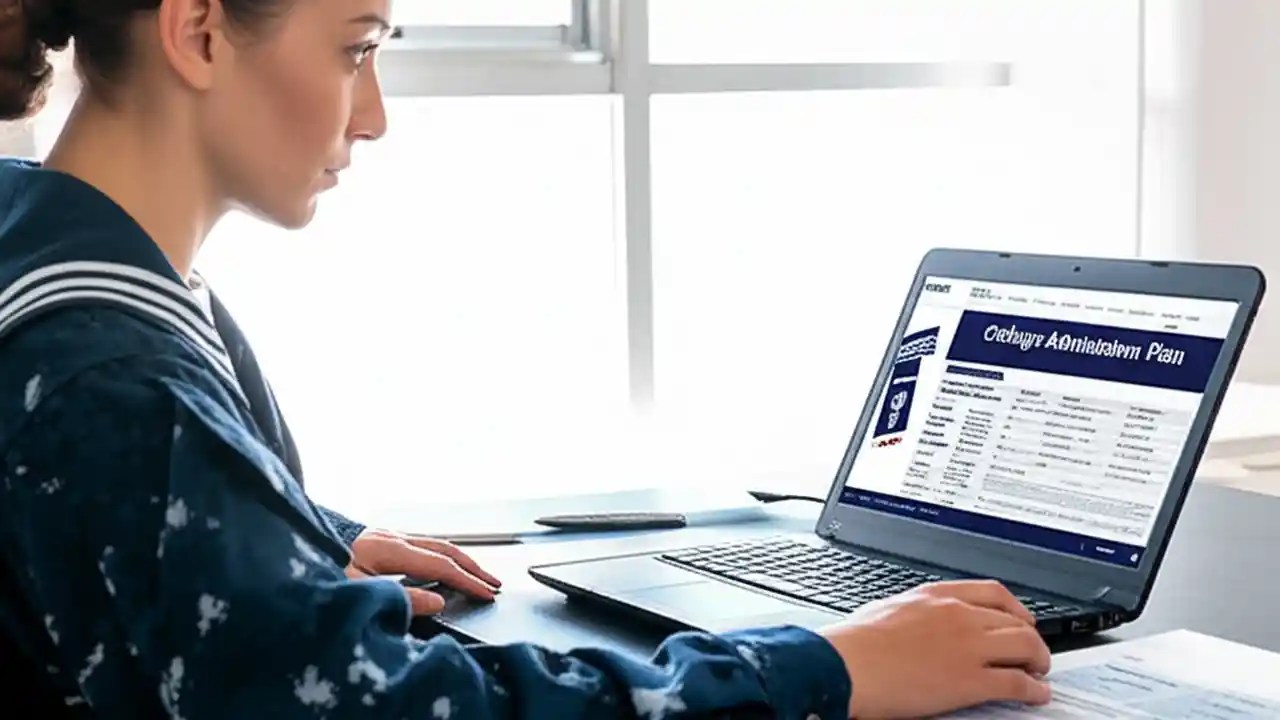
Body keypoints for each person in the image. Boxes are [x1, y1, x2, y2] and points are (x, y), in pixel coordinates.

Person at [0, 1, 1054, 717]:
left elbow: (81, 508)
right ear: (198, 30)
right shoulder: (122, 377)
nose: (372, 116)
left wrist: (297, 541)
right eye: (355, 48)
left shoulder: (41, 236)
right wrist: (825, 670)